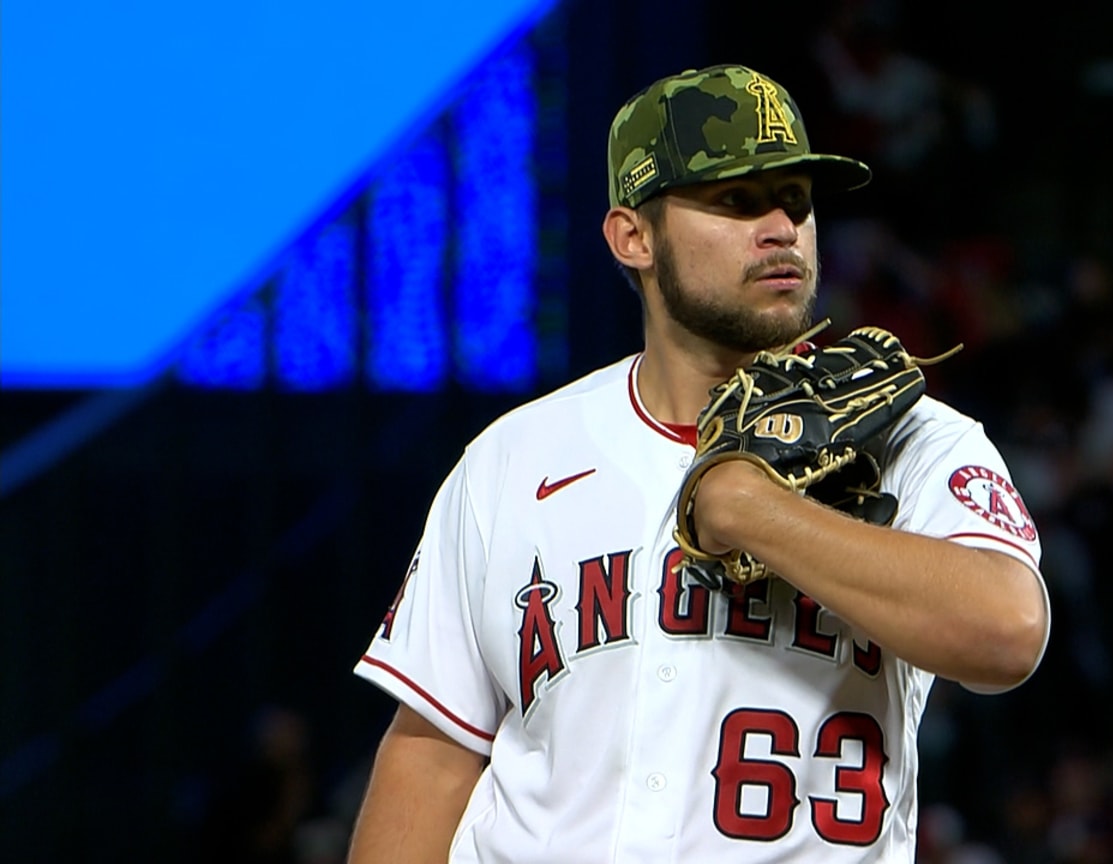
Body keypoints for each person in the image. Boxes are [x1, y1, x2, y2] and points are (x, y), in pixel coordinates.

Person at [345, 64, 1050, 863]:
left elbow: (1007, 631)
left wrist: (750, 508)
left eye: (797, 200)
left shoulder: (915, 440)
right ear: (632, 236)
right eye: (736, 201)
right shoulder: (517, 458)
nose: (781, 226)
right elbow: (432, 751)